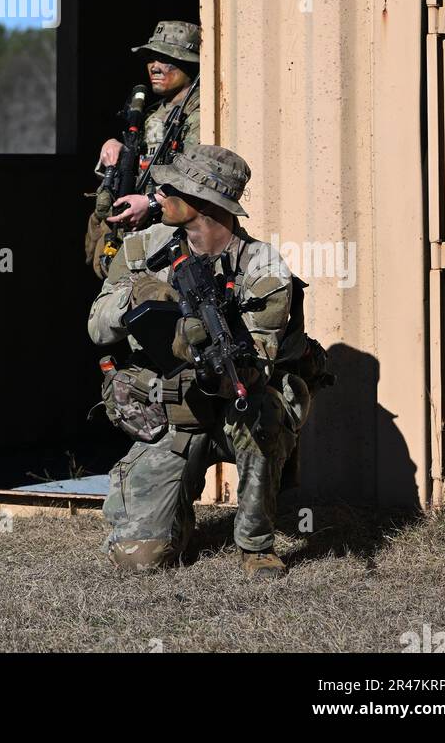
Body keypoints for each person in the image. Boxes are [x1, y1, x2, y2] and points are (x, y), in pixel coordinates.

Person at [88, 143, 314, 581]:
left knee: (263, 410)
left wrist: (198, 345)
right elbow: (97, 330)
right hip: (169, 415)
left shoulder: (262, 267)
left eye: (170, 187)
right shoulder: (141, 249)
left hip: (233, 412)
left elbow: (256, 369)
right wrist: (135, 300)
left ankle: (255, 543)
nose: (158, 192)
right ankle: (175, 516)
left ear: (201, 201)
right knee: (138, 557)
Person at [85, 20, 200, 279]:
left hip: (170, 236)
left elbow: (195, 180)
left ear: (189, 63)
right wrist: (114, 147)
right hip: (138, 237)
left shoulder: (198, 114)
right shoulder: (152, 114)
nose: (155, 67)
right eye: (151, 58)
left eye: (166, 58)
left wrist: (151, 203)